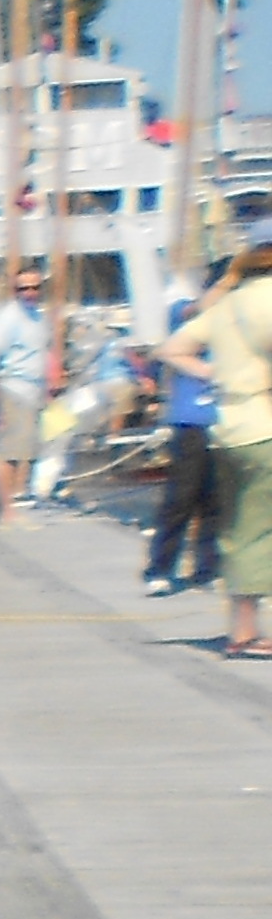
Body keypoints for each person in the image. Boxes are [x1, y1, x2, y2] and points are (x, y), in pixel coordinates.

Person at [147, 188, 272, 660]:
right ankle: (246, 634)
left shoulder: (227, 305)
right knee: (261, 530)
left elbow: (171, 348)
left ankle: (241, 630)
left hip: (227, 429)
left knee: (239, 529)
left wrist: (215, 373)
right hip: (264, 428)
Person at [143, 284, 224, 596]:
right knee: (181, 498)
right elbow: (189, 312)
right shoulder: (188, 315)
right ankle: (160, 568)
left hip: (226, 420)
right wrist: (227, 282)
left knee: (216, 500)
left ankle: (207, 568)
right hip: (191, 419)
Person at [0, 278, 48, 523]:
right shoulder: (10, 318)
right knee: (9, 452)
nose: (30, 292)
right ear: (13, 290)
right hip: (12, 389)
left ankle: (1, 508)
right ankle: (6, 510)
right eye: (23, 288)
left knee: (21, 452)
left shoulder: (37, 317)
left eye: (35, 287)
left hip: (32, 390)